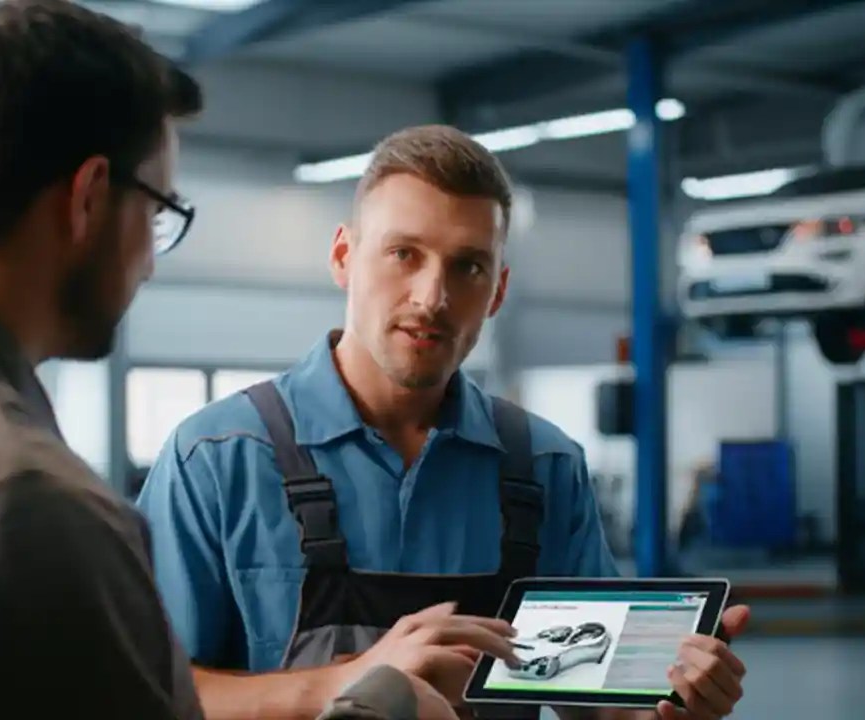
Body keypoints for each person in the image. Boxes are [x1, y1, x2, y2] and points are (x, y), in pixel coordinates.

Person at [0, 2, 433, 719]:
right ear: (89, 198)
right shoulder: (26, 506)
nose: (148, 263)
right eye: (158, 210)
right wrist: (379, 701)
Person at [136, 124, 752, 720]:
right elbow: (144, 691)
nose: (432, 297)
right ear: (344, 256)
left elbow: (592, 703)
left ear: (499, 291)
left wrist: (663, 707)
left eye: (469, 267)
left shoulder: (544, 466)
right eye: (404, 254)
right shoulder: (216, 459)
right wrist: (353, 683)